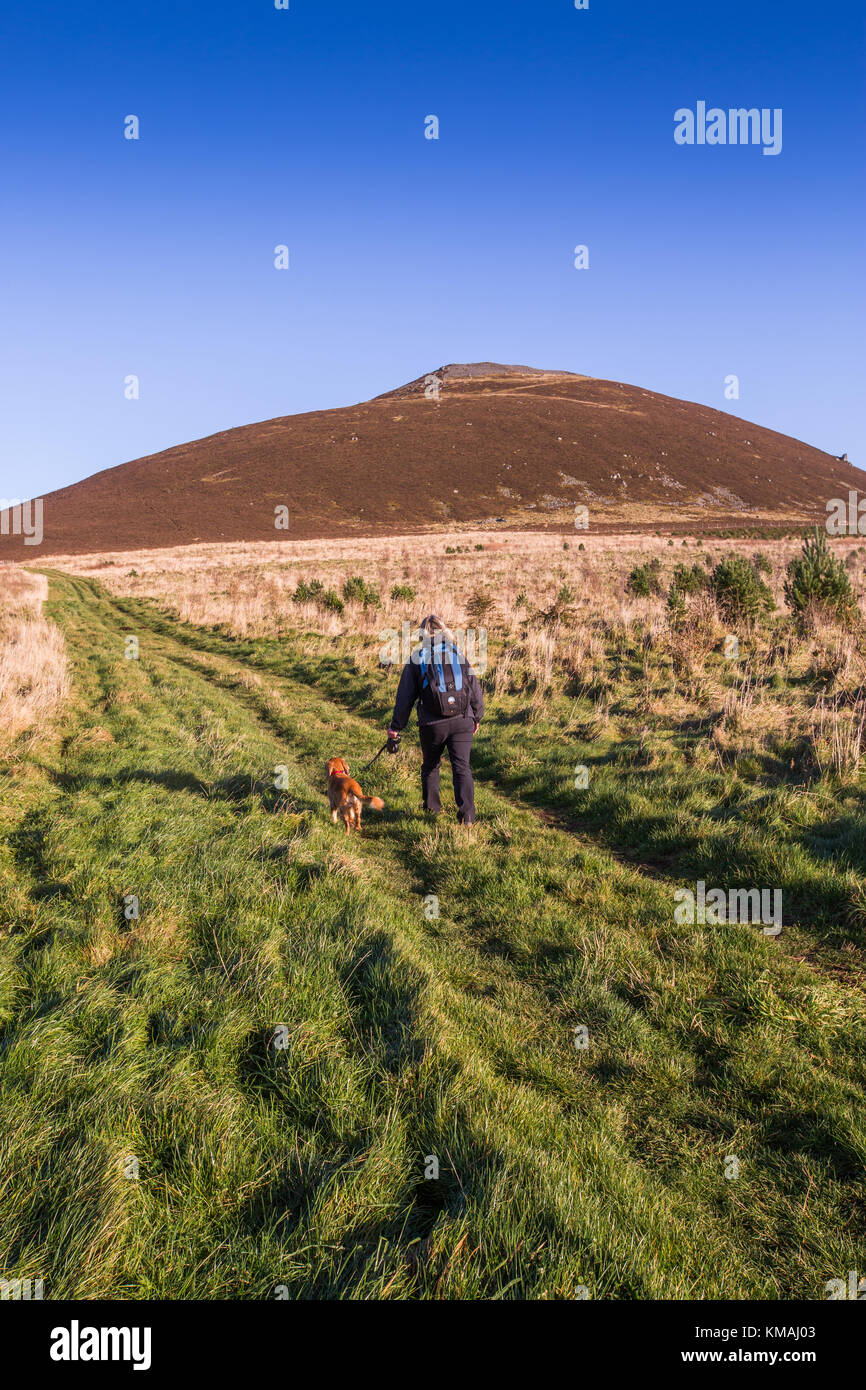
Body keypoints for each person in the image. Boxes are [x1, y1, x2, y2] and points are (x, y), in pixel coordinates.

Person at [386, 614, 483, 825]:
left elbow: (405, 698)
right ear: (445, 631)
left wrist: (396, 727)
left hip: (432, 725)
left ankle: (431, 811)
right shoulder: (457, 654)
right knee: (462, 768)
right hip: (462, 720)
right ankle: (467, 818)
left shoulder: (416, 658)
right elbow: (474, 687)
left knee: (431, 765)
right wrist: (476, 716)